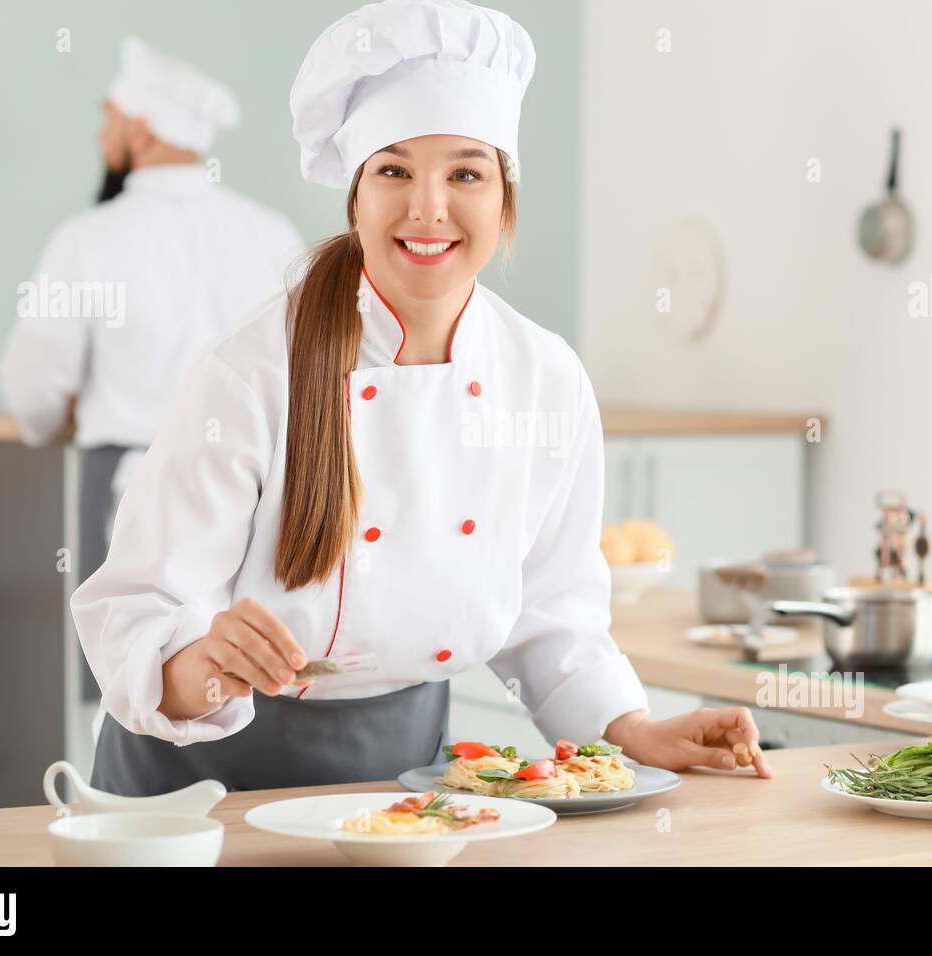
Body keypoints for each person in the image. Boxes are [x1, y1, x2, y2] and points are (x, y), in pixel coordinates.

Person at [71, 0, 774, 796]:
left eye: (466, 173)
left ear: (504, 198)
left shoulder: (544, 378)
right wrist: (200, 664)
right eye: (394, 170)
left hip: (405, 784)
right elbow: (135, 610)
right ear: (356, 196)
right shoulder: (250, 374)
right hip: (197, 786)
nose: (428, 208)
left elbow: (552, 613)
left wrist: (635, 729)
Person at [0, 36, 305, 576]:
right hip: (254, 490)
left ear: (140, 129)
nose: (100, 133)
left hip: (129, 488)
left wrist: (50, 417)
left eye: (108, 119)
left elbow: (32, 391)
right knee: (244, 653)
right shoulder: (270, 233)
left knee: (126, 655)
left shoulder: (86, 238)